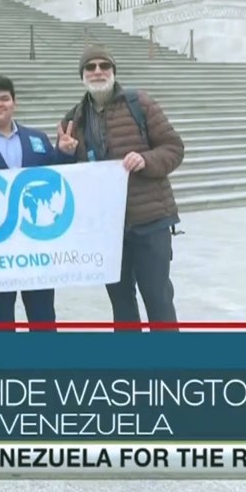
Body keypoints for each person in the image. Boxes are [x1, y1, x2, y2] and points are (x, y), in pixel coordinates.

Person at [62, 46, 186, 330]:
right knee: (121, 302)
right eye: (90, 67)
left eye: (104, 66)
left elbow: (174, 148)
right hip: (108, 228)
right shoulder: (74, 119)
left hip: (150, 220)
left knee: (158, 297)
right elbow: (70, 178)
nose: (97, 71)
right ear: (81, 75)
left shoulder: (139, 103)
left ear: (113, 72)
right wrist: (65, 153)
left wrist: (146, 159)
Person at [0, 75, 77, 328]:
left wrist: (65, 154)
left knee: (43, 312)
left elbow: (54, 178)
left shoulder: (36, 139)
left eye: (4, 98)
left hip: (35, 244)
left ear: (14, 102)